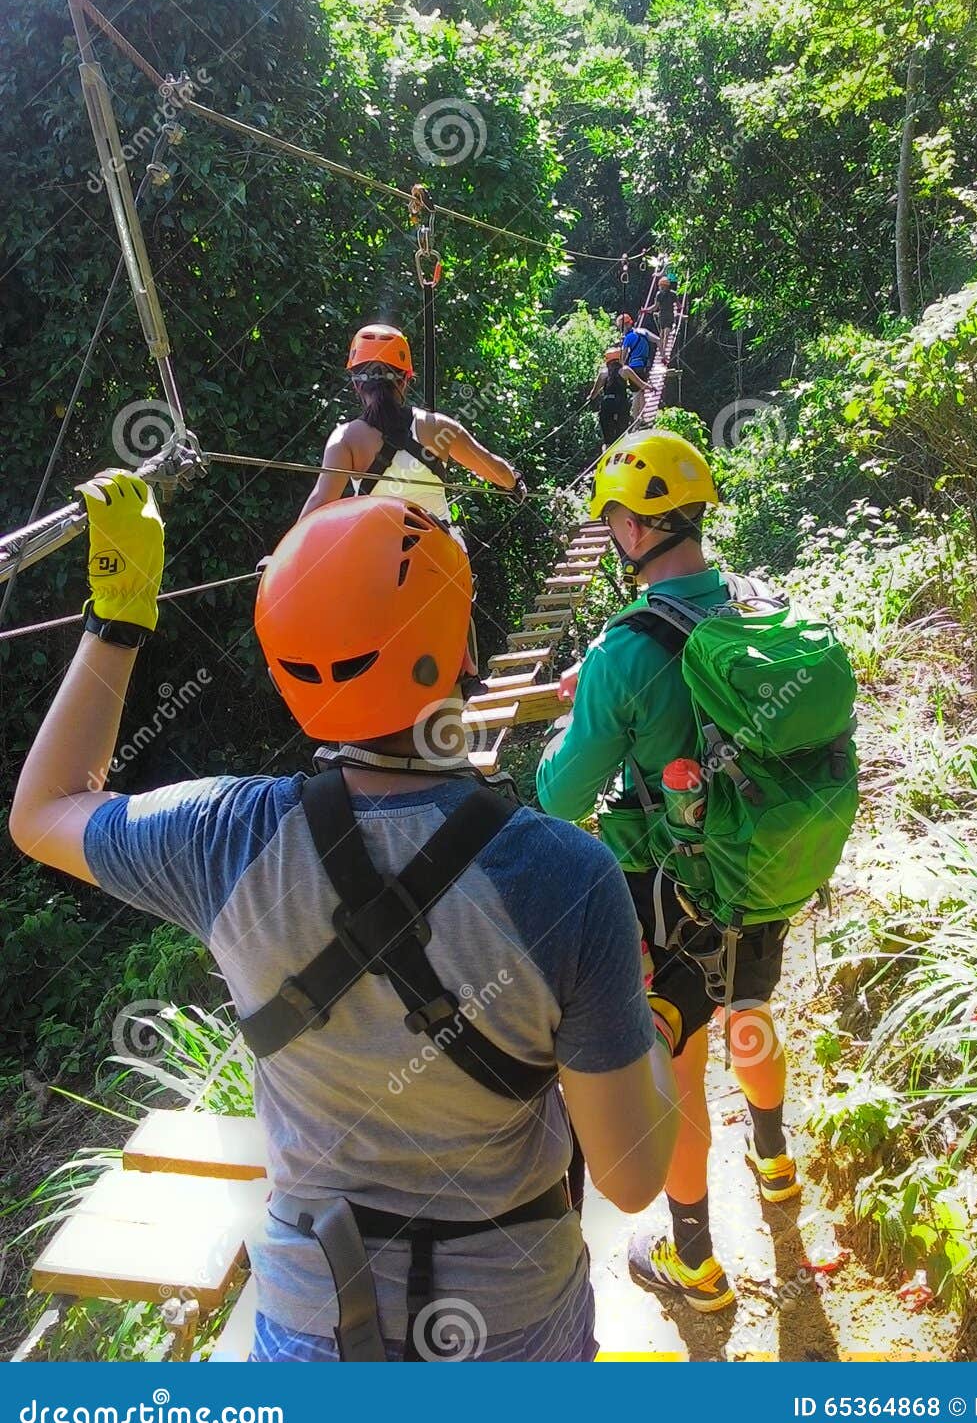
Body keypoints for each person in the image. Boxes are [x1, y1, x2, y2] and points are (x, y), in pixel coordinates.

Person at [10, 475, 681, 1363]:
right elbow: (632, 1177)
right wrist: (657, 1027)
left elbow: (42, 809)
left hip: (313, 1324)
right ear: (461, 649)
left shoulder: (223, 837)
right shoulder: (565, 875)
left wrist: (119, 621)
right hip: (513, 1323)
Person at [535, 433, 799, 1316]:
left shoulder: (624, 652)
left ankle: (694, 1259)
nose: (609, 532)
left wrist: (587, 704)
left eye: (611, 517)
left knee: (678, 1065)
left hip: (669, 896)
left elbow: (559, 792)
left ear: (635, 527)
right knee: (751, 1011)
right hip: (758, 869)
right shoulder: (759, 606)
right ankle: (774, 1161)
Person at [298, 324, 527, 543]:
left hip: (377, 553)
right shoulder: (439, 427)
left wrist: (280, 558)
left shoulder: (345, 438)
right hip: (438, 552)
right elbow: (494, 470)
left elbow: (321, 501)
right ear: (405, 380)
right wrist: (514, 481)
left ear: (356, 384)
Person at [587, 347, 647, 447]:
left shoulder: (603, 373)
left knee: (608, 440)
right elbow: (642, 385)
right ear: (619, 359)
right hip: (621, 404)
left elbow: (594, 393)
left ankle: (607, 456)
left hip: (607, 404)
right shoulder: (625, 370)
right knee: (621, 435)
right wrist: (652, 388)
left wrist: (590, 399)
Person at [618, 314, 659, 423]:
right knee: (642, 392)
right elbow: (658, 340)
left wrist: (622, 371)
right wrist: (663, 356)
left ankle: (636, 420)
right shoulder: (643, 332)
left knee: (636, 393)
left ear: (625, 326)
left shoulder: (628, 338)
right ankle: (644, 418)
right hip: (645, 366)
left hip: (634, 368)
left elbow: (623, 358)